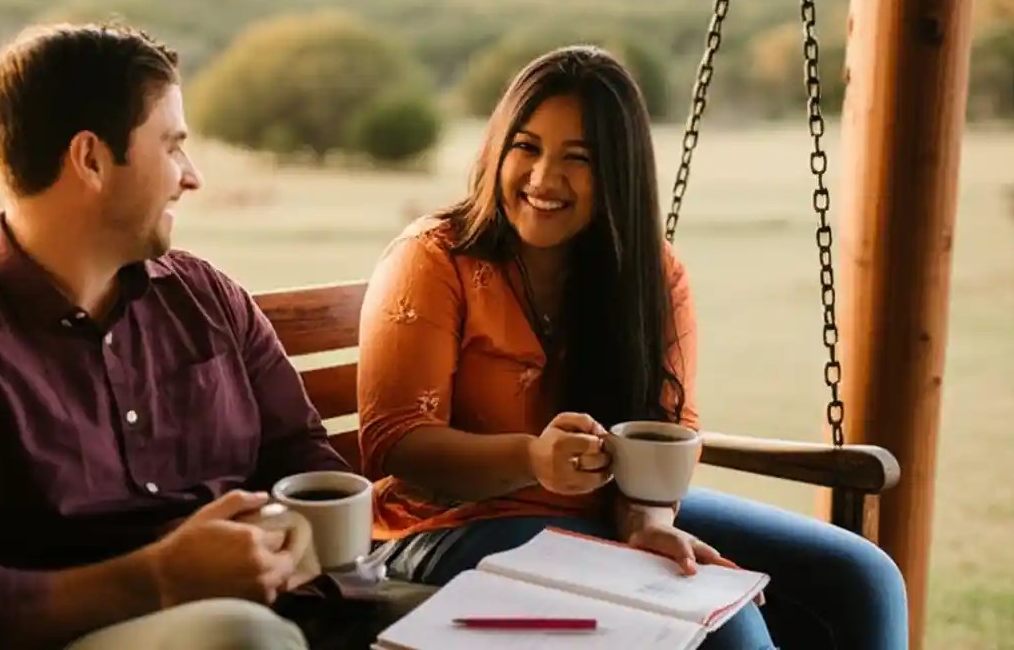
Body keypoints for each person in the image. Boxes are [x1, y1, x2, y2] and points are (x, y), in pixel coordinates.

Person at [356, 46, 909, 650]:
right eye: (527, 147)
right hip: (450, 525)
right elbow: (396, 443)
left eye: (580, 158)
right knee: (724, 628)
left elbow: (666, 425)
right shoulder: (437, 257)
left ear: (619, 172)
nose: (543, 178)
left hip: (603, 514)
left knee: (863, 580)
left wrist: (645, 522)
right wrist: (532, 460)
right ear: (496, 150)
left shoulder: (650, 273)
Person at [0, 23, 344, 650]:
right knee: (241, 635)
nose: (191, 176)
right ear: (91, 159)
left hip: (289, 616)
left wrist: (296, 534)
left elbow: (303, 457)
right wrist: (159, 580)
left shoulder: (208, 300)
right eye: (171, 146)